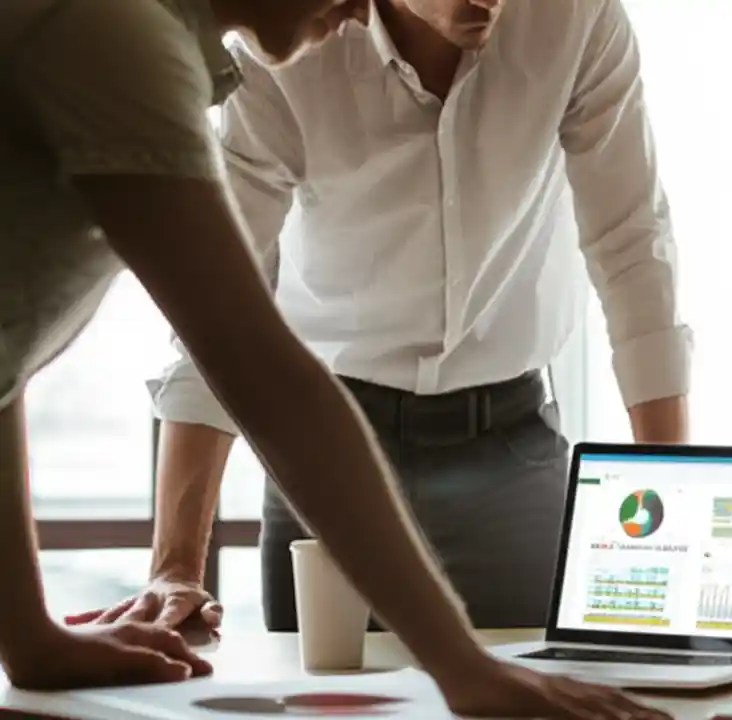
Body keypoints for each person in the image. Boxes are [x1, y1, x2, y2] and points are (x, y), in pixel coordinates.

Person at [0, 0, 668, 716]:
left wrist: (28, 637)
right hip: (346, 423)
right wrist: (462, 667)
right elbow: (250, 364)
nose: (359, 7)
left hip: (512, 439)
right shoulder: (110, 35)